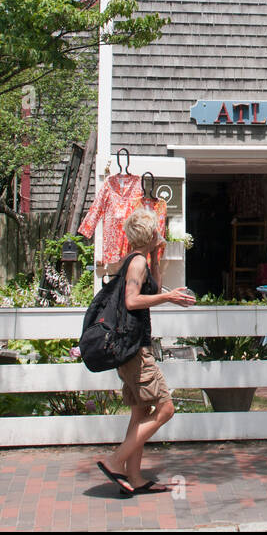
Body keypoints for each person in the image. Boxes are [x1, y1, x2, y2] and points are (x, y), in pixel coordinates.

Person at [96, 207, 194, 496]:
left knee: (140, 412)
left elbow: (154, 288)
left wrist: (158, 258)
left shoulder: (140, 260)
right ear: (150, 232)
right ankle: (115, 460)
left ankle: (135, 477)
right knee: (165, 408)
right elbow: (132, 300)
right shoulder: (136, 263)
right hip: (134, 350)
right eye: (156, 230)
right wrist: (168, 297)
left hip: (133, 347)